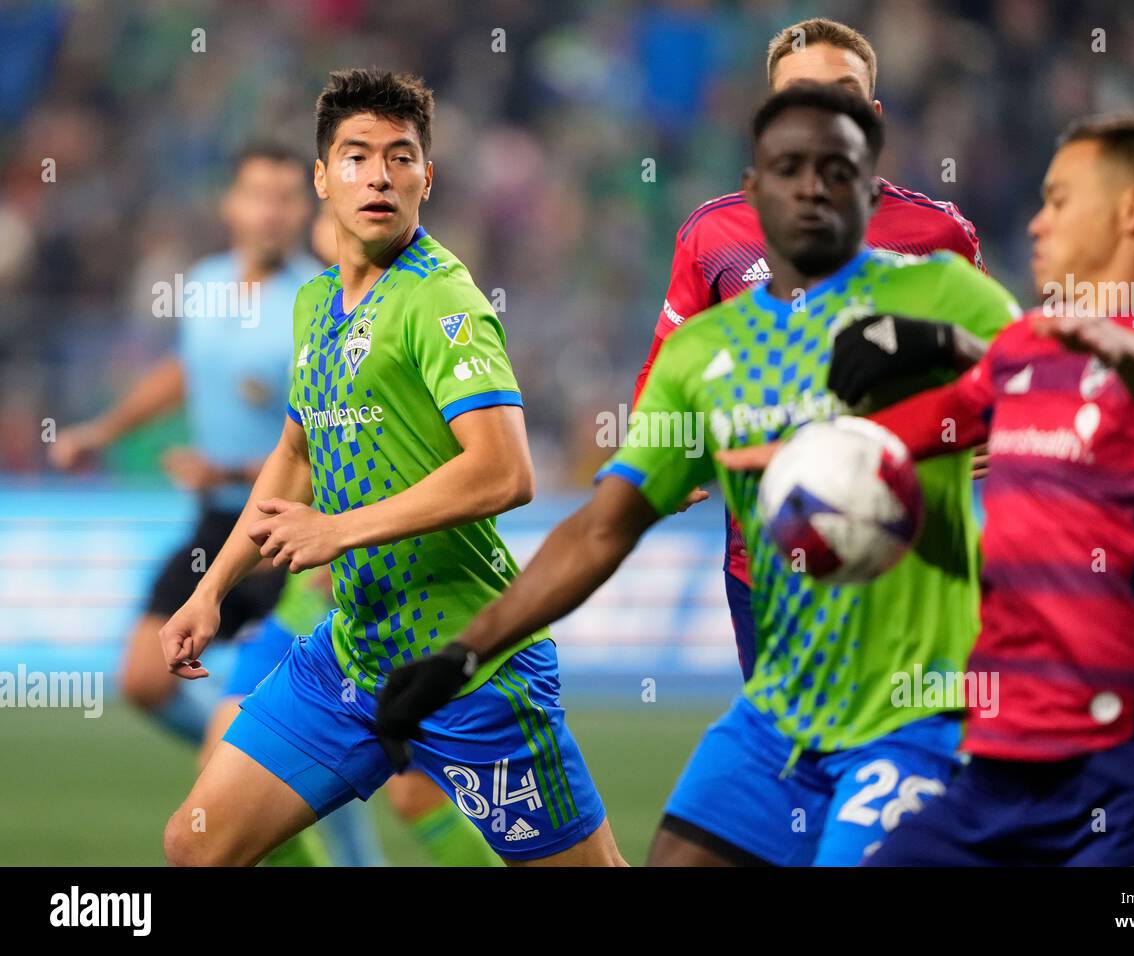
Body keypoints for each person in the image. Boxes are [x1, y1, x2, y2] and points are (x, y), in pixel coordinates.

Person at [376, 82, 1019, 867]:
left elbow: (1076, 398)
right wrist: (463, 655)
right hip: (783, 711)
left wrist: (951, 348)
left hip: (922, 709)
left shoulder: (942, 290)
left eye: (837, 169)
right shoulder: (705, 356)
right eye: (790, 167)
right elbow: (603, 527)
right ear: (752, 187)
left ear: (871, 182)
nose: (813, 186)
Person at [727, 114, 1134, 866]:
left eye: (1060, 201)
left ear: (1133, 210)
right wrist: (801, 455)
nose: (1037, 224)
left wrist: (1119, 346)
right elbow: (938, 418)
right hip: (997, 763)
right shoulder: (1029, 345)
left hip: (1126, 761)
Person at [159, 68, 621, 866]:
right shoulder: (314, 306)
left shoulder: (442, 301)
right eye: (357, 156)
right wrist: (211, 590)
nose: (379, 175)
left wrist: (340, 531)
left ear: (427, 177)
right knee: (197, 847)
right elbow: (294, 457)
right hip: (353, 654)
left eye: (401, 157)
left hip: (466, 668)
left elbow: (506, 473)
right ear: (321, 179)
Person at [634, 17, 987, 681]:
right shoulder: (715, 235)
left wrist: (988, 426)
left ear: (874, 117)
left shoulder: (941, 238)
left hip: (910, 566)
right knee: (794, 775)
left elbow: (997, 381)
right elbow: (664, 383)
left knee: (905, 775)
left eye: (843, 94)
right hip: (769, 570)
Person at [49, 144, 314, 744]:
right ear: (231, 204)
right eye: (257, 196)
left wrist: (229, 469)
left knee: (291, 716)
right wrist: (104, 430)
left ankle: (262, 777)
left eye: (285, 198)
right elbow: (188, 370)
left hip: (290, 534)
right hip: (215, 523)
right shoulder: (205, 283)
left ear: (306, 208)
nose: (270, 212)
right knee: (144, 677)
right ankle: (248, 768)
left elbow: (327, 436)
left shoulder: (316, 302)